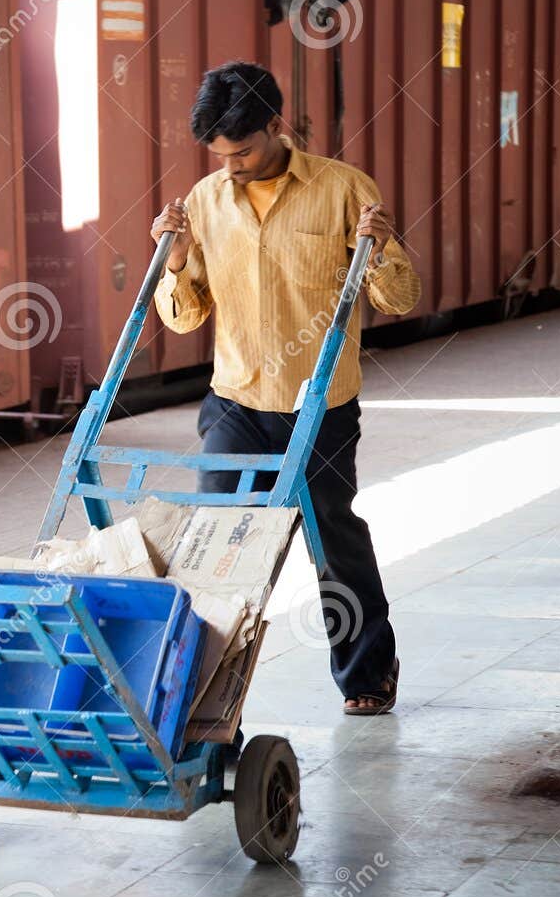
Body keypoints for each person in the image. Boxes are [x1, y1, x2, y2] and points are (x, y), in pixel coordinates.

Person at [150, 61, 419, 715]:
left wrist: (383, 250)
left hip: (320, 405)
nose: (231, 166)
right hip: (235, 403)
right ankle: (203, 701)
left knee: (333, 539)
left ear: (276, 125)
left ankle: (368, 674)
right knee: (219, 546)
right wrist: (176, 261)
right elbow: (185, 316)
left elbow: (400, 299)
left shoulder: (344, 189)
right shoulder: (206, 201)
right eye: (220, 155)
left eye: (242, 151)